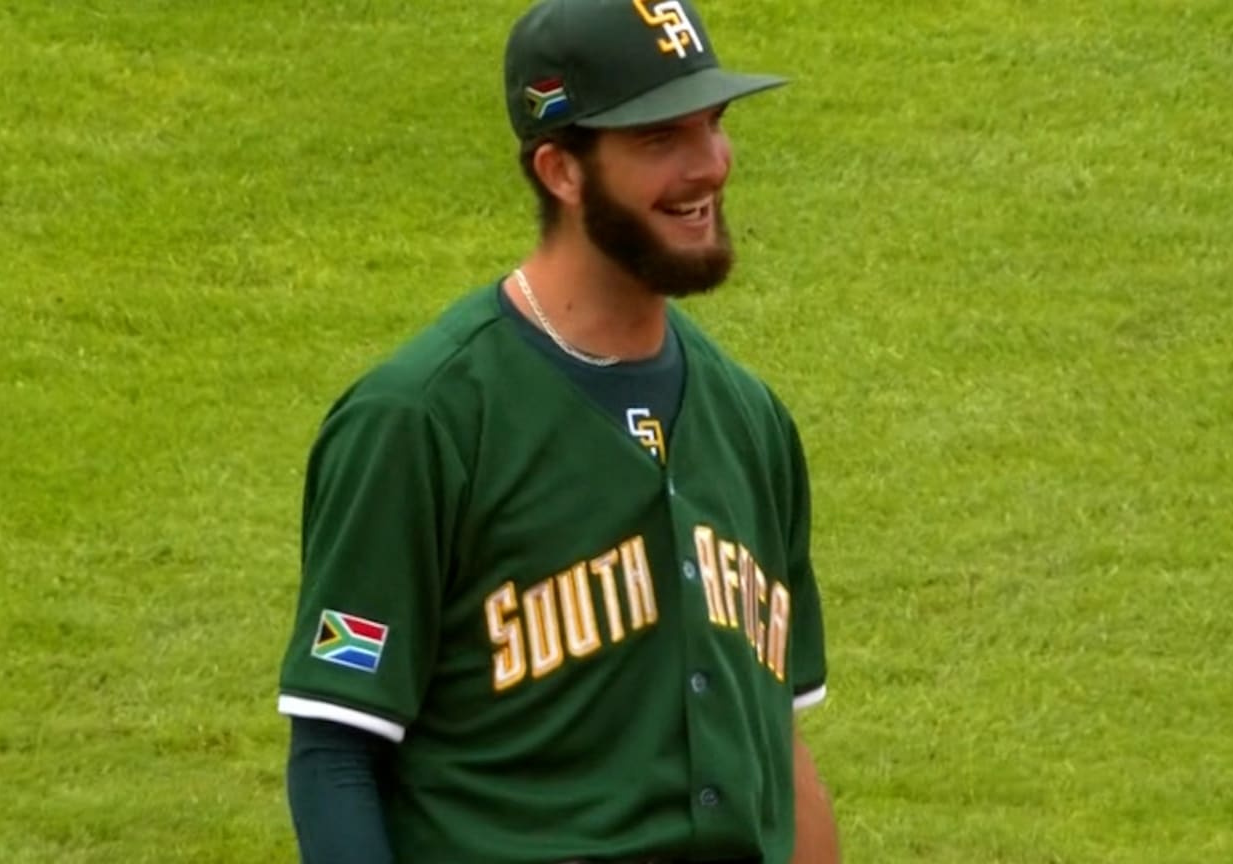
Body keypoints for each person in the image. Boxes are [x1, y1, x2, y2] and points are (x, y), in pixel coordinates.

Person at [275, 0, 837, 861]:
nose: (710, 165)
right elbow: (335, 751)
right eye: (660, 139)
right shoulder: (421, 421)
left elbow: (779, 744)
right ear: (561, 171)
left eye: (713, 124)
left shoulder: (750, 421)